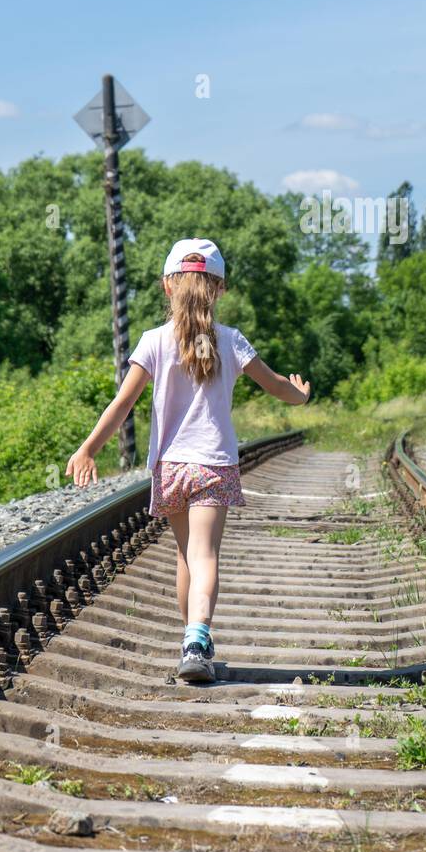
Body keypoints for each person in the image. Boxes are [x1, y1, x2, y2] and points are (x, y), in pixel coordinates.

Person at [66, 237, 310, 683]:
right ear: (219, 289)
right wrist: (300, 395)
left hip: (170, 466)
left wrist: (87, 449)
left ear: (167, 287)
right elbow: (276, 385)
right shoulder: (231, 340)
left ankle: (191, 639)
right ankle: (196, 640)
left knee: (185, 557)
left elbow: (122, 405)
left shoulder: (153, 341)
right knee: (205, 555)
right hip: (213, 463)